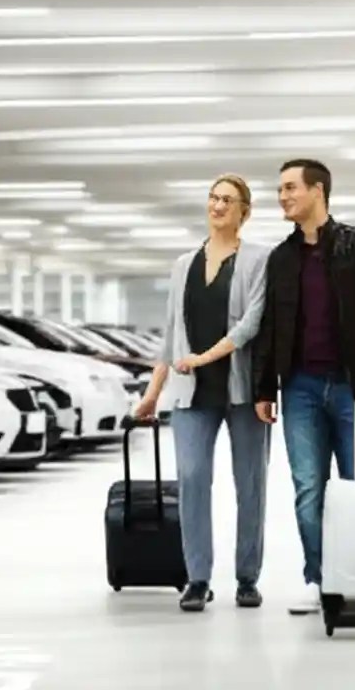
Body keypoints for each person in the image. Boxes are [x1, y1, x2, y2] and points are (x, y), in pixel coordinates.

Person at [251, 158, 355, 615]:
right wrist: (264, 389)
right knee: (308, 486)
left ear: (318, 191)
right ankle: (319, 579)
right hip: (300, 389)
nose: (283, 196)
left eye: (290, 188)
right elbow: (270, 326)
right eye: (280, 190)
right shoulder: (281, 258)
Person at [133, 173, 272, 612]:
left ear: (244, 212)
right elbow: (171, 336)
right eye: (213, 198)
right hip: (190, 393)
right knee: (192, 479)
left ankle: (247, 577)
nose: (217, 206)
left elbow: (250, 325)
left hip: (243, 390)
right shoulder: (182, 265)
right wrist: (153, 394)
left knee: (250, 484)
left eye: (227, 200)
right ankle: (197, 578)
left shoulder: (259, 260)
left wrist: (203, 357)